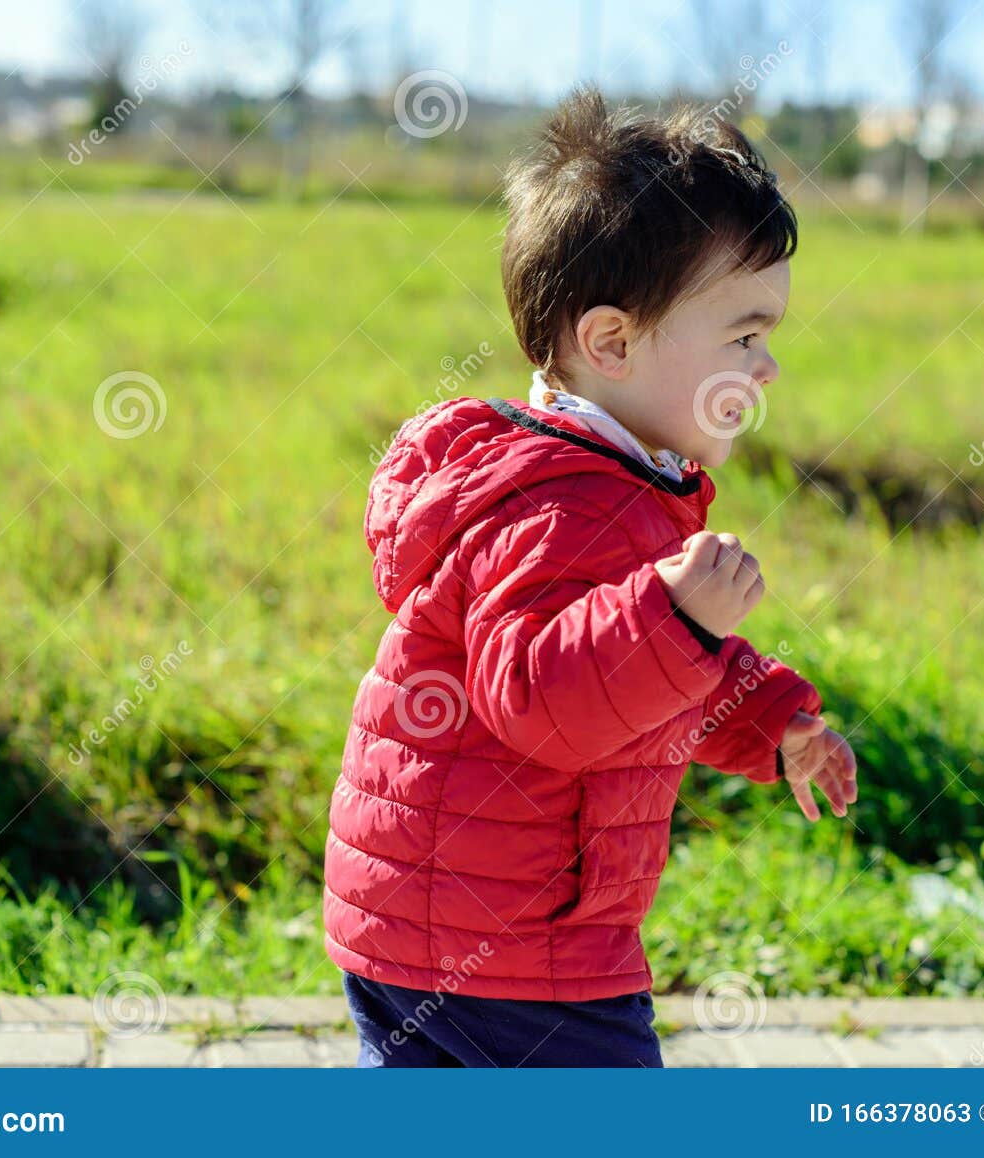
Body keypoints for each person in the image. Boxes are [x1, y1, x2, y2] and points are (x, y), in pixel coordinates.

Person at [324, 85, 858, 1068]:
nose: (769, 365)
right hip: (508, 944)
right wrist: (677, 617)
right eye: (743, 335)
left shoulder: (608, 481)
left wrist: (769, 718)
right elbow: (545, 697)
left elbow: (637, 683)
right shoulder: (561, 508)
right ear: (610, 342)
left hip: (446, 918)